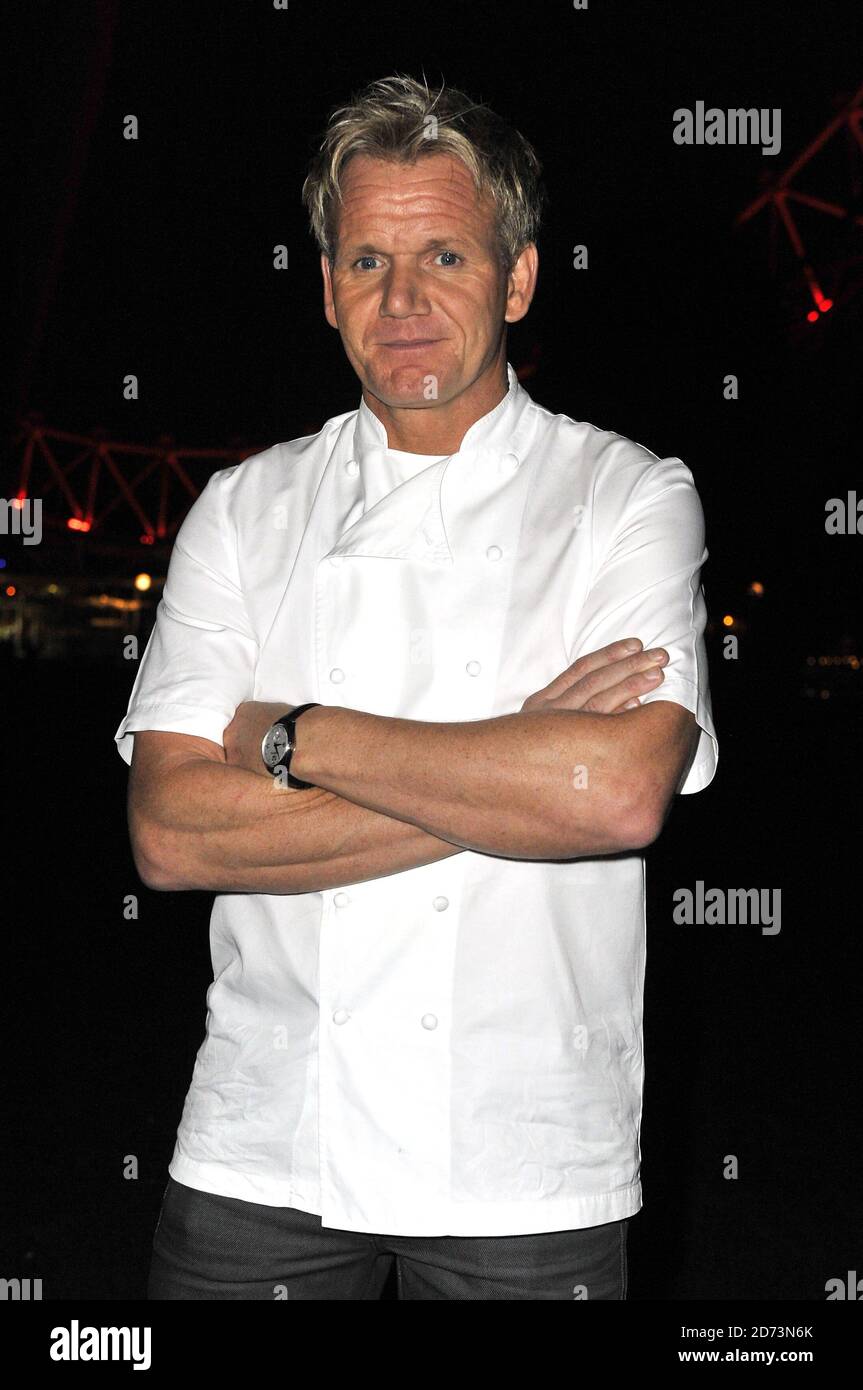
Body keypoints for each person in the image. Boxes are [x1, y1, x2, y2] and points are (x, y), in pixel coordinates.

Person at [115, 73, 718, 1301]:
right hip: (263, 1136)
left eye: (443, 254)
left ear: (516, 279)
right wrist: (512, 764)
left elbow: (610, 800)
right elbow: (171, 834)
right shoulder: (244, 507)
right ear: (325, 281)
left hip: (525, 1154)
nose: (400, 301)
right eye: (363, 259)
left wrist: (295, 737)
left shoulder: (628, 495)